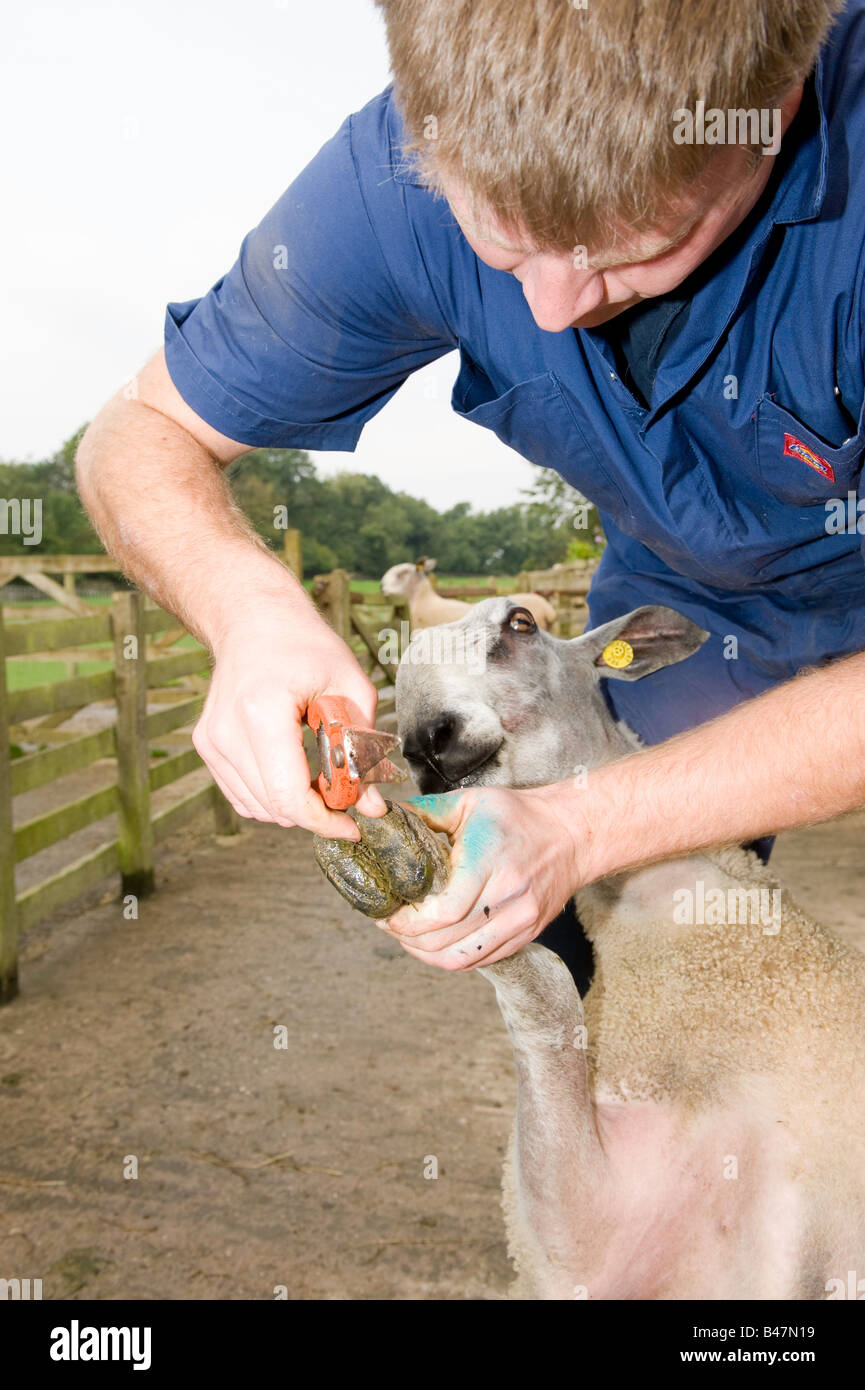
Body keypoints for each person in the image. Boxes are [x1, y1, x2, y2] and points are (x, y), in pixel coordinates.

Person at [77, 0, 865, 978]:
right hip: (684, 625)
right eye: (496, 235)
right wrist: (243, 608)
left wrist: (582, 824)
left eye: (641, 248)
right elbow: (136, 432)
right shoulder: (398, 173)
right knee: (639, 938)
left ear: (779, 101)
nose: (551, 308)